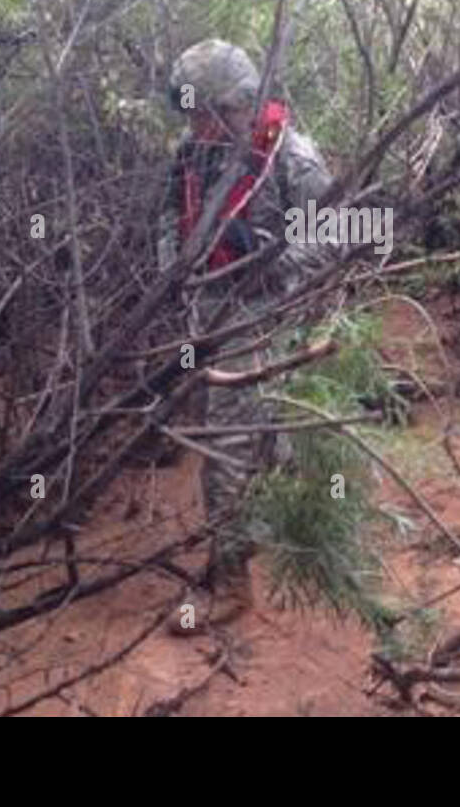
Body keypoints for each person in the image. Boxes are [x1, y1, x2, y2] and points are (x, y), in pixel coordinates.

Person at [157, 39, 333, 634]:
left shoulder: (293, 157)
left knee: (228, 443)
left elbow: (330, 236)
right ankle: (274, 526)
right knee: (263, 434)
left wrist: (273, 264)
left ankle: (230, 579)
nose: (201, 126)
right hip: (205, 311)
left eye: (209, 113)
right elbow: (166, 222)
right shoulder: (190, 154)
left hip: (268, 313)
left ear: (241, 102)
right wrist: (174, 275)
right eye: (192, 115)